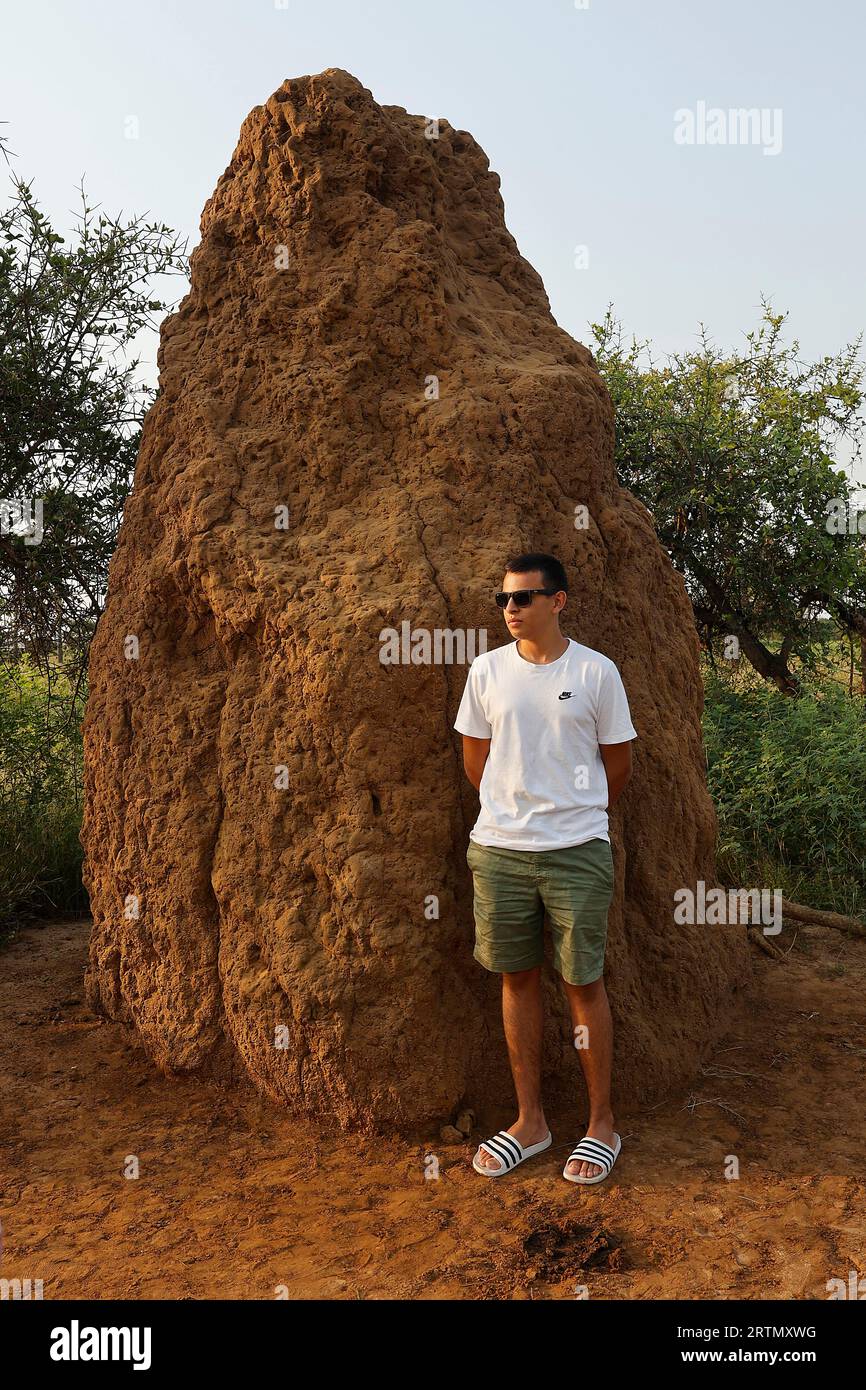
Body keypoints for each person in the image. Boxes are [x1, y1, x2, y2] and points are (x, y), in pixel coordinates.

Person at [454, 552, 637, 1184]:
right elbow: (477, 759)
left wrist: (567, 810)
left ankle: (601, 1125)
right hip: (500, 850)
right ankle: (530, 1122)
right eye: (504, 598)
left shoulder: (595, 672)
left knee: (583, 983)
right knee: (516, 979)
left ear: (558, 601)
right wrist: (514, 808)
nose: (511, 609)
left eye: (524, 597)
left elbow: (618, 764)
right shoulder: (486, 672)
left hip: (577, 851)